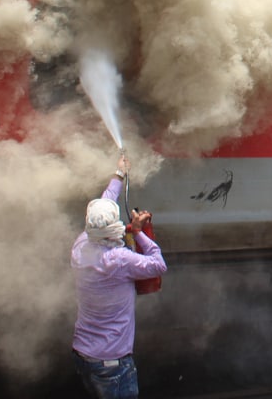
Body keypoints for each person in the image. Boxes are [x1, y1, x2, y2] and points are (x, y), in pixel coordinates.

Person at [71, 154, 167, 399]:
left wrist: (119, 174)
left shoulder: (81, 245)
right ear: (114, 228)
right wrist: (139, 233)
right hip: (111, 363)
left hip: (83, 353)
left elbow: (105, 203)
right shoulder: (119, 260)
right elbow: (158, 265)